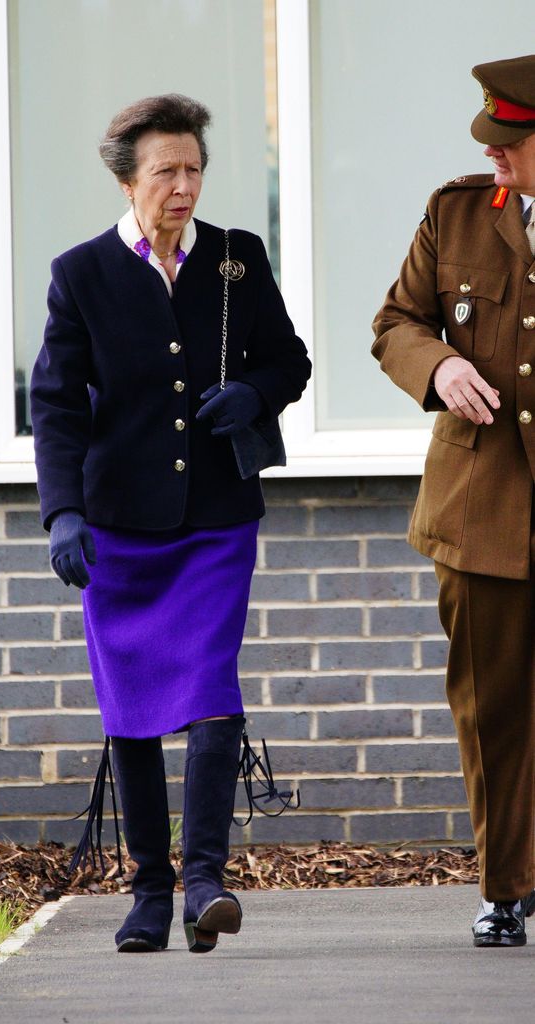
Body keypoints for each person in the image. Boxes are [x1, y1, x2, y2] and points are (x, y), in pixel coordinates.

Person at [30, 93, 311, 954]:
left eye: (195, 169)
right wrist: (63, 512)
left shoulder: (237, 258)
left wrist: (254, 393)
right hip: (116, 525)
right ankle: (148, 892)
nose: (184, 187)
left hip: (215, 520)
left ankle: (203, 883)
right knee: (133, 709)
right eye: (166, 172)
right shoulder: (81, 275)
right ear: (127, 180)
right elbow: (55, 405)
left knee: (211, 691)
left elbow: (290, 360)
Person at [372, 55, 535, 947]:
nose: (495, 158)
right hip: (483, 509)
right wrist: (441, 365)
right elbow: (395, 321)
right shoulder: (457, 211)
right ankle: (505, 887)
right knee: (492, 706)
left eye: (510, 144)